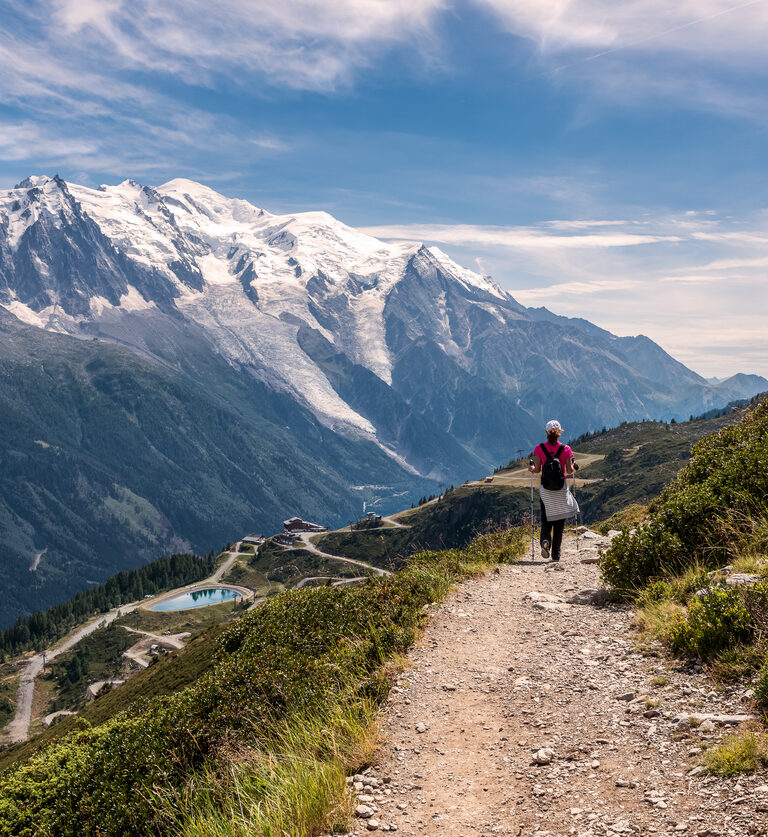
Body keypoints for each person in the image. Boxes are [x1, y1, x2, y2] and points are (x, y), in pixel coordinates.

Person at [528, 419, 578, 561]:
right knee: (559, 522)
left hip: (546, 489)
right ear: (560, 432)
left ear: (546, 432)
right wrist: (574, 466)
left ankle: (545, 540)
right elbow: (568, 471)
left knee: (546, 519)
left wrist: (531, 468)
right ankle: (556, 555)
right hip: (561, 489)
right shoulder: (566, 449)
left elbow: (537, 470)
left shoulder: (539, 448)